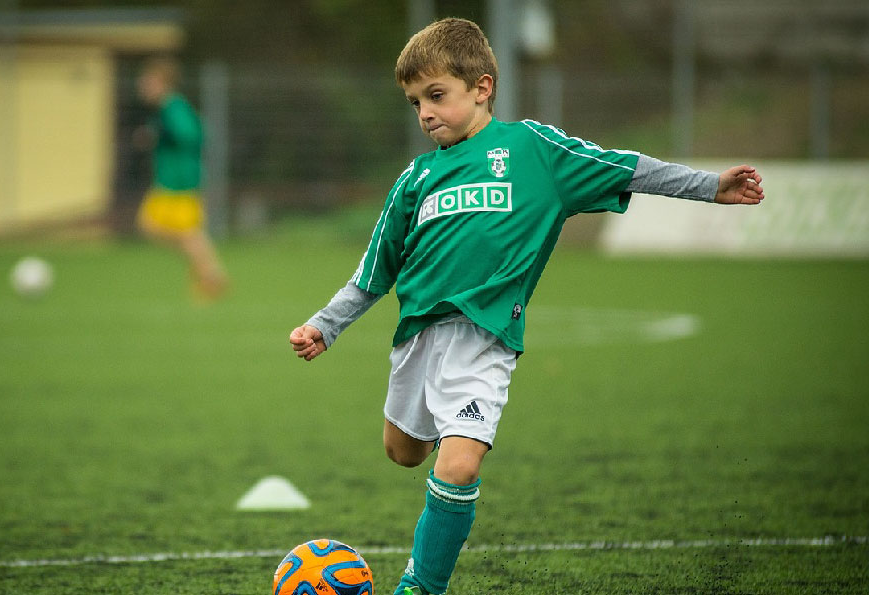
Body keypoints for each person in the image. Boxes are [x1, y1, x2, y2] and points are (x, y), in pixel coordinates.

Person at [289, 17, 764, 595]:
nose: (426, 114)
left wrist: (710, 185)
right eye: (416, 103)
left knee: (458, 467)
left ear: (482, 88)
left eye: (437, 96)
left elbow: (627, 167)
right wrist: (325, 326)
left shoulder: (531, 150)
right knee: (402, 452)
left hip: (484, 339)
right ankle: (442, 437)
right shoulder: (414, 179)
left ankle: (421, 584)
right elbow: (373, 274)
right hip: (418, 339)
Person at [135, 57, 228, 300]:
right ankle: (207, 271)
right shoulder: (165, 109)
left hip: (180, 181)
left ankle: (210, 275)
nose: (143, 86)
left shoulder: (173, 107)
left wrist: (161, 134)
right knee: (155, 227)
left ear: (163, 83)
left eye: (149, 81)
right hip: (169, 180)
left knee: (185, 232)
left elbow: (193, 134)